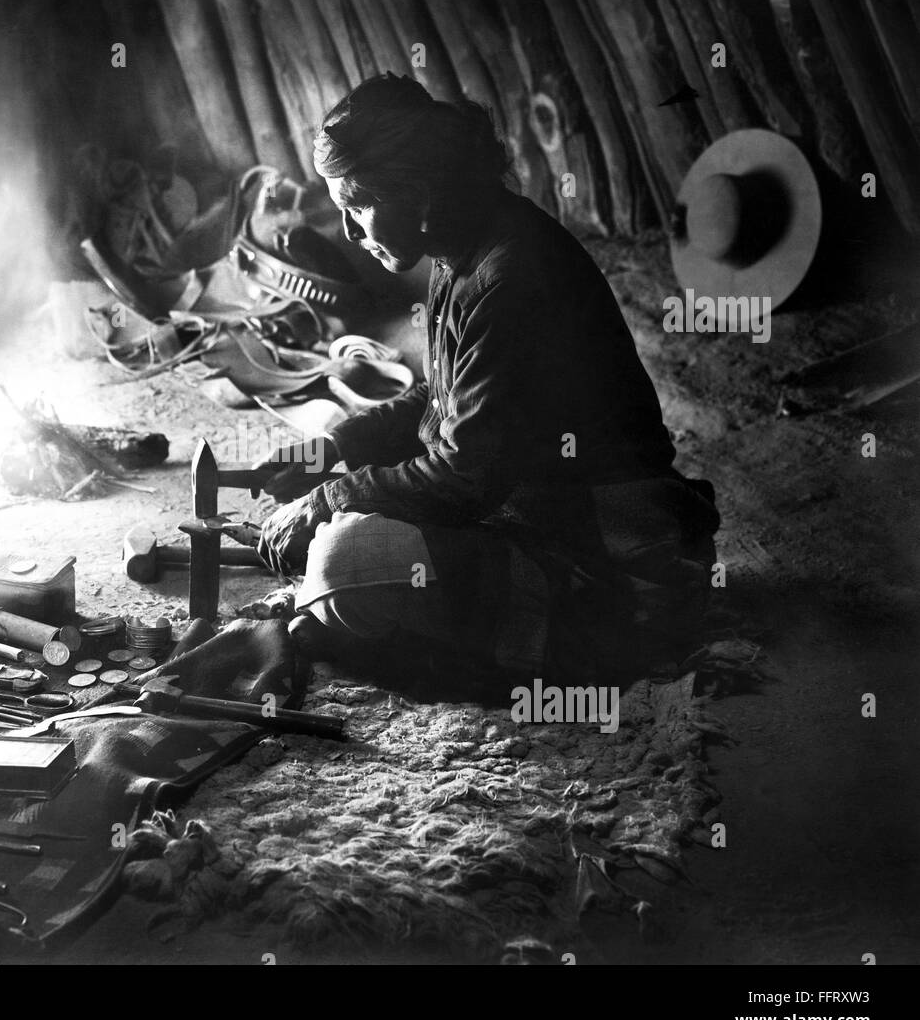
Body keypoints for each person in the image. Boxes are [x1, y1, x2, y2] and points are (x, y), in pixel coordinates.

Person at [252, 74, 720, 686]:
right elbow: (440, 397)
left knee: (345, 563)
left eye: (357, 205)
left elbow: (463, 477)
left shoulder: (512, 274)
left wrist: (328, 499)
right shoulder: (464, 245)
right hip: (534, 510)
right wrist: (335, 448)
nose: (348, 232)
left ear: (417, 193)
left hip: (615, 547)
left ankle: (596, 638)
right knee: (350, 554)